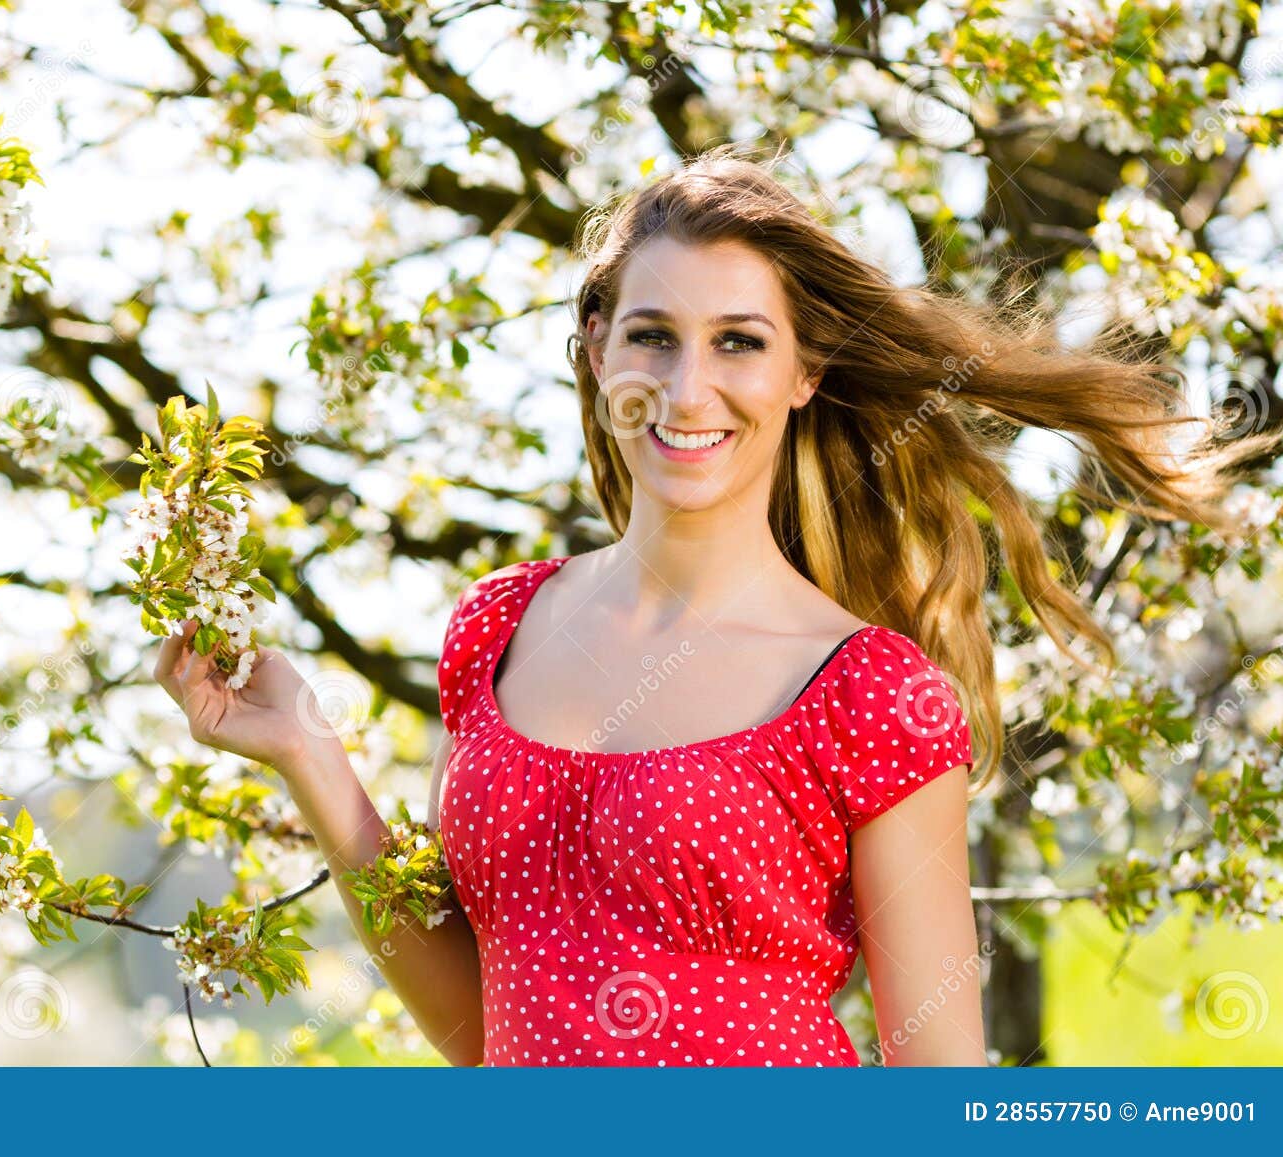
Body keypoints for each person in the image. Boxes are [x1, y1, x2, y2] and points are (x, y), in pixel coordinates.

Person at [154, 144, 1276, 1067]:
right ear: (598, 351)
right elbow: (476, 1022)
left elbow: (939, 1087)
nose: (689, 389)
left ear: (803, 372)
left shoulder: (870, 694)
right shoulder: (493, 629)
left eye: (738, 341)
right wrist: (307, 750)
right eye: (653, 335)